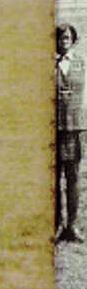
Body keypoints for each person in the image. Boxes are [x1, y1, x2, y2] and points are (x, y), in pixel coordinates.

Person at [57, 23, 87, 243]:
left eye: (67, 38)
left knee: (74, 178)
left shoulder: (82, 63)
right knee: (54, 180)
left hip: (75, 128)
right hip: (54, 129)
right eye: (60, 38)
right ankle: (57, 224)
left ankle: (73, 226)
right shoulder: (47, 65)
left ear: (73, 40)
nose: (63, 41)